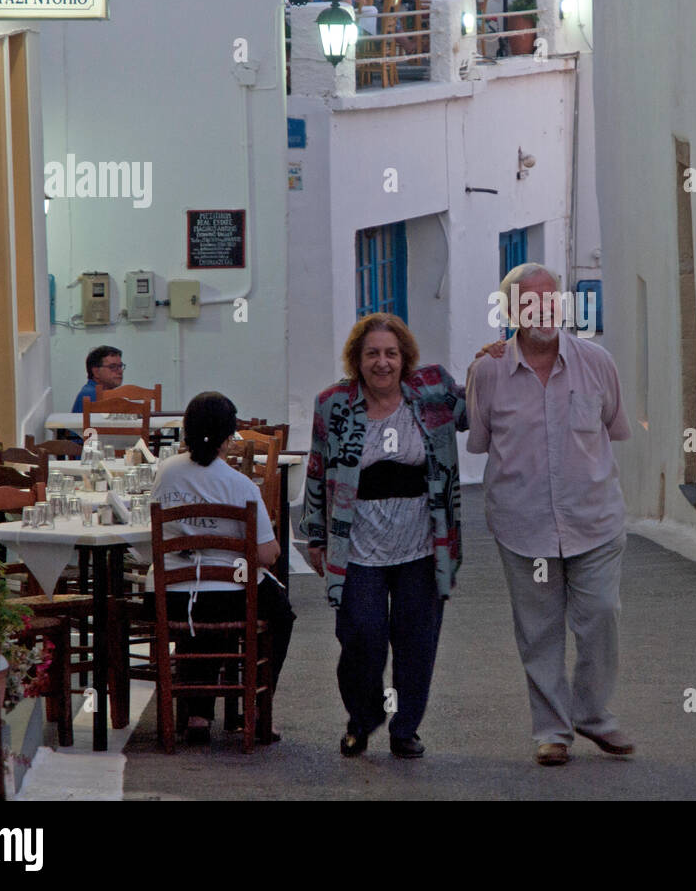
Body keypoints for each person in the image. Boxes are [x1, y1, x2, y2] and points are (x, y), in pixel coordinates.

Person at [466, 263, 635, 766]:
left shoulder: (597, 363)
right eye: (528, 301)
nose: (540, 310)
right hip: (523, 525)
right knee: (538, 631)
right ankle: (553, 732)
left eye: (549, 300)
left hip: (595, 520)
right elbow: (480, 441)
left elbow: (613, 427)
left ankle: (593, 714)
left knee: (601, 614)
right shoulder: (488, 372)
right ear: (510, 310)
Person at [300, 313, 470, 759]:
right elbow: (317, 470)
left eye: (391, 353)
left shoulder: (433, 392)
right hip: (357, 543)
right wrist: (315, 537)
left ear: (404, 358)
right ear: (357, 359)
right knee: (361, 634)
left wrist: (494, 359)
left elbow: (480, 409)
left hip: (421, 542)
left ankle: (405, 728)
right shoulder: (332, 404)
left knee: (417, 640)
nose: (382, 363)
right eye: (372, 353)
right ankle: (362, 718)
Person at [150, 392, 295, 744]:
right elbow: (267, 553)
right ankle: (258, 710)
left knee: (200, 622)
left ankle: (198, 716)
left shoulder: (165, 472)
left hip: (172, 594)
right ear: (228, 437)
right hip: (229, 593)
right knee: (281, 614)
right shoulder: (239, 484)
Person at [72, 345, 124, 412]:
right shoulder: (91, 394)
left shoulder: (105, 392)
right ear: (96, 372)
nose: (120, 371)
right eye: (113, 367)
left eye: (120, 366)